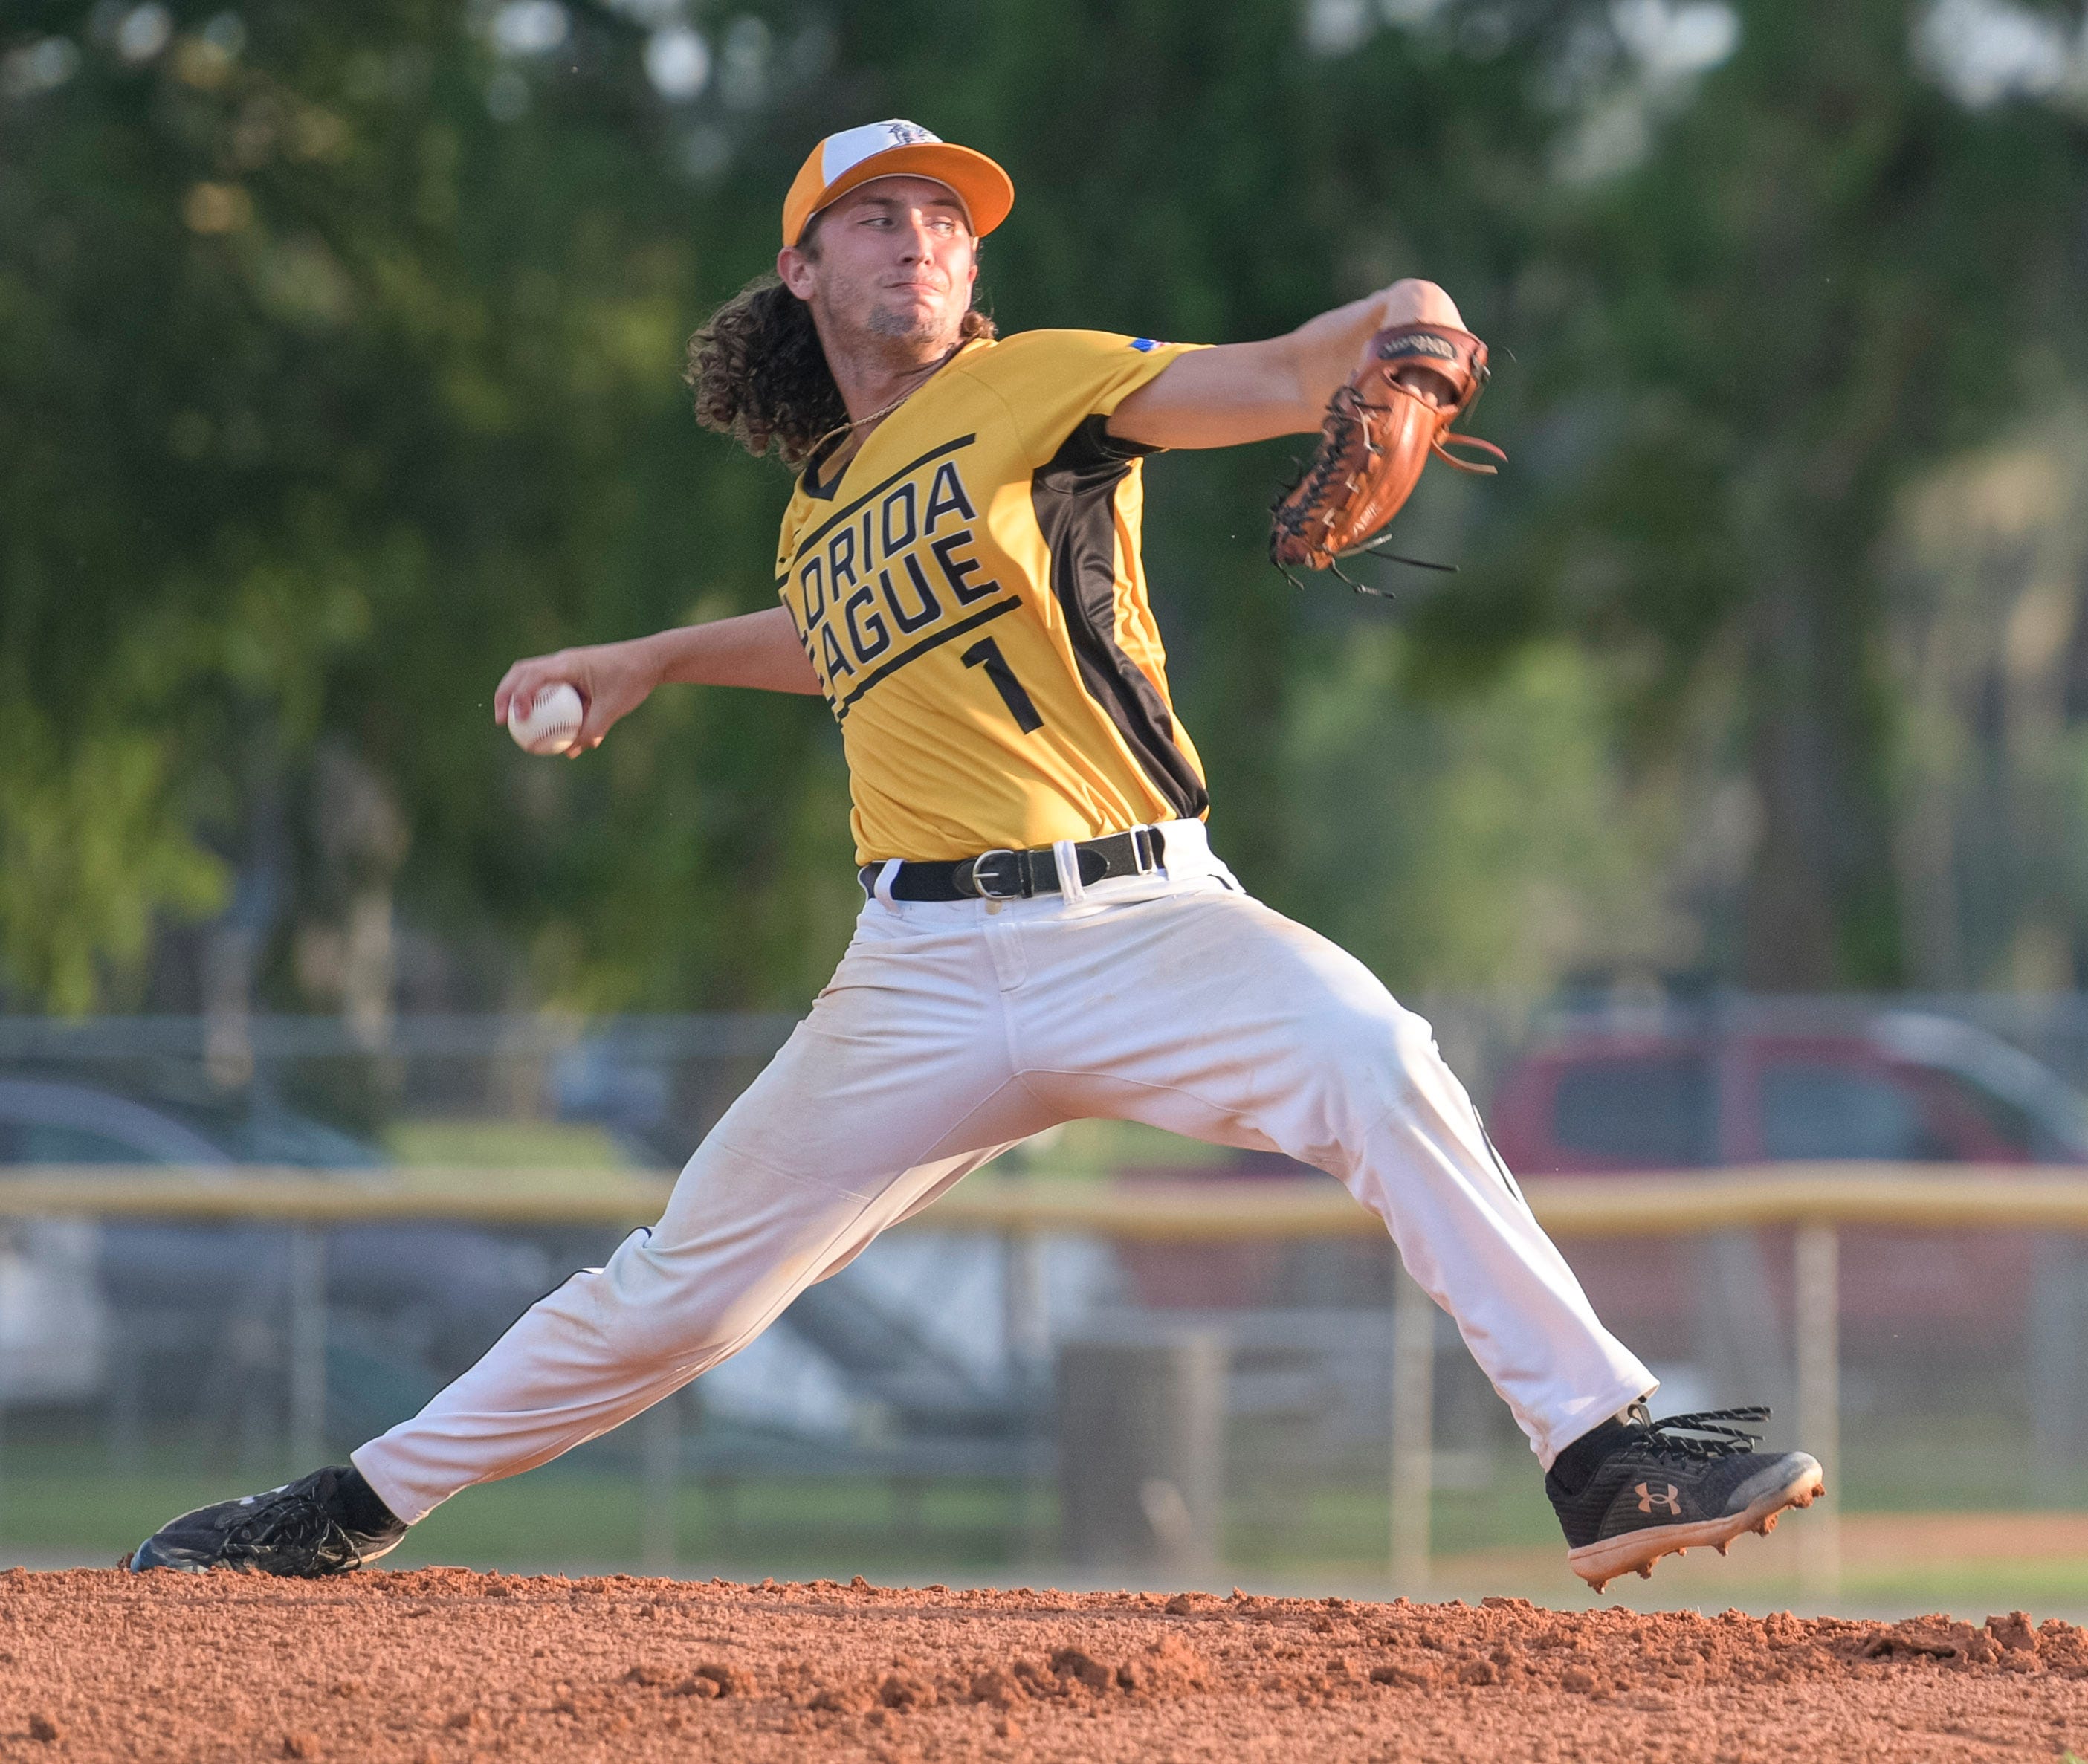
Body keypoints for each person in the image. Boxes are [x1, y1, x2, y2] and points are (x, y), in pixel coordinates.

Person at [129, 120, 1820, 1592]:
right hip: (917, 974)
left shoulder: (1037, 381)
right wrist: (649, 655)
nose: (922, 236)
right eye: (878, 212)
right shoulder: (823, 500)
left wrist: (1416, 334)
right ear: (800, 268)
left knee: (1376, 1056)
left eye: (945, 218)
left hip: (1145, 916)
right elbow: (832, 631)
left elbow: (1304, 359)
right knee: (676, 1293)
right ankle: (348, 1505)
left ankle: (1601, 1449)